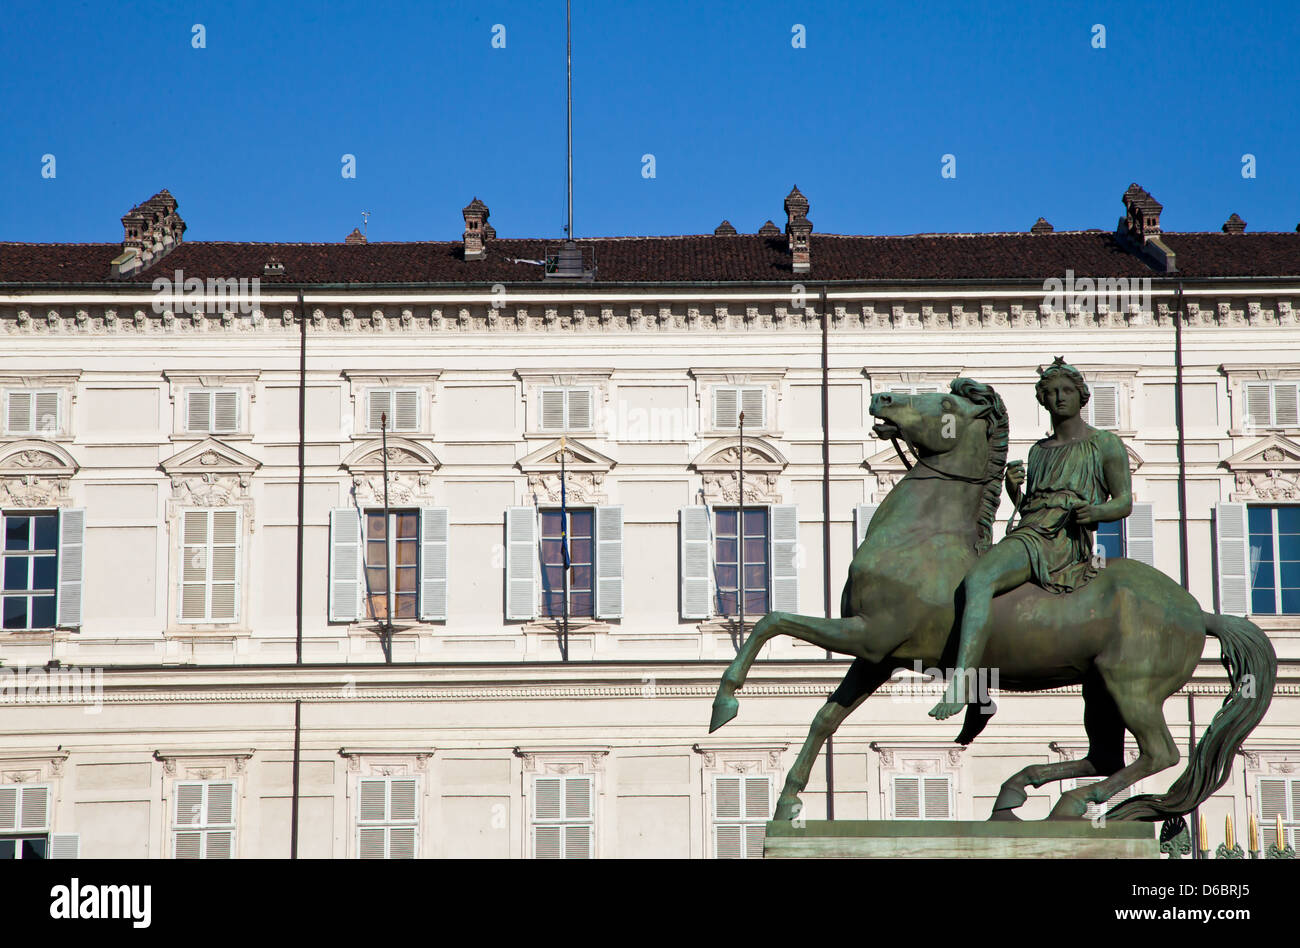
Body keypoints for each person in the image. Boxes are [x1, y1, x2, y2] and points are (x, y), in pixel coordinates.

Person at [929, 357, 1133, 720]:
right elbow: (1030, 510)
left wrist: (1096, 513)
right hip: (1032, 530)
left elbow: (1124, 502)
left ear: (1082, 396)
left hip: (1061, 539)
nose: (1059, 398)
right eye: (1051, 392)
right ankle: (979, 688)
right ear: (1043, 400)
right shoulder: (1039, 451)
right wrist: (1014, 492)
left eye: (1067, 391)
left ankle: (962, 684)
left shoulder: (1105, 444)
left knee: (979, 579)